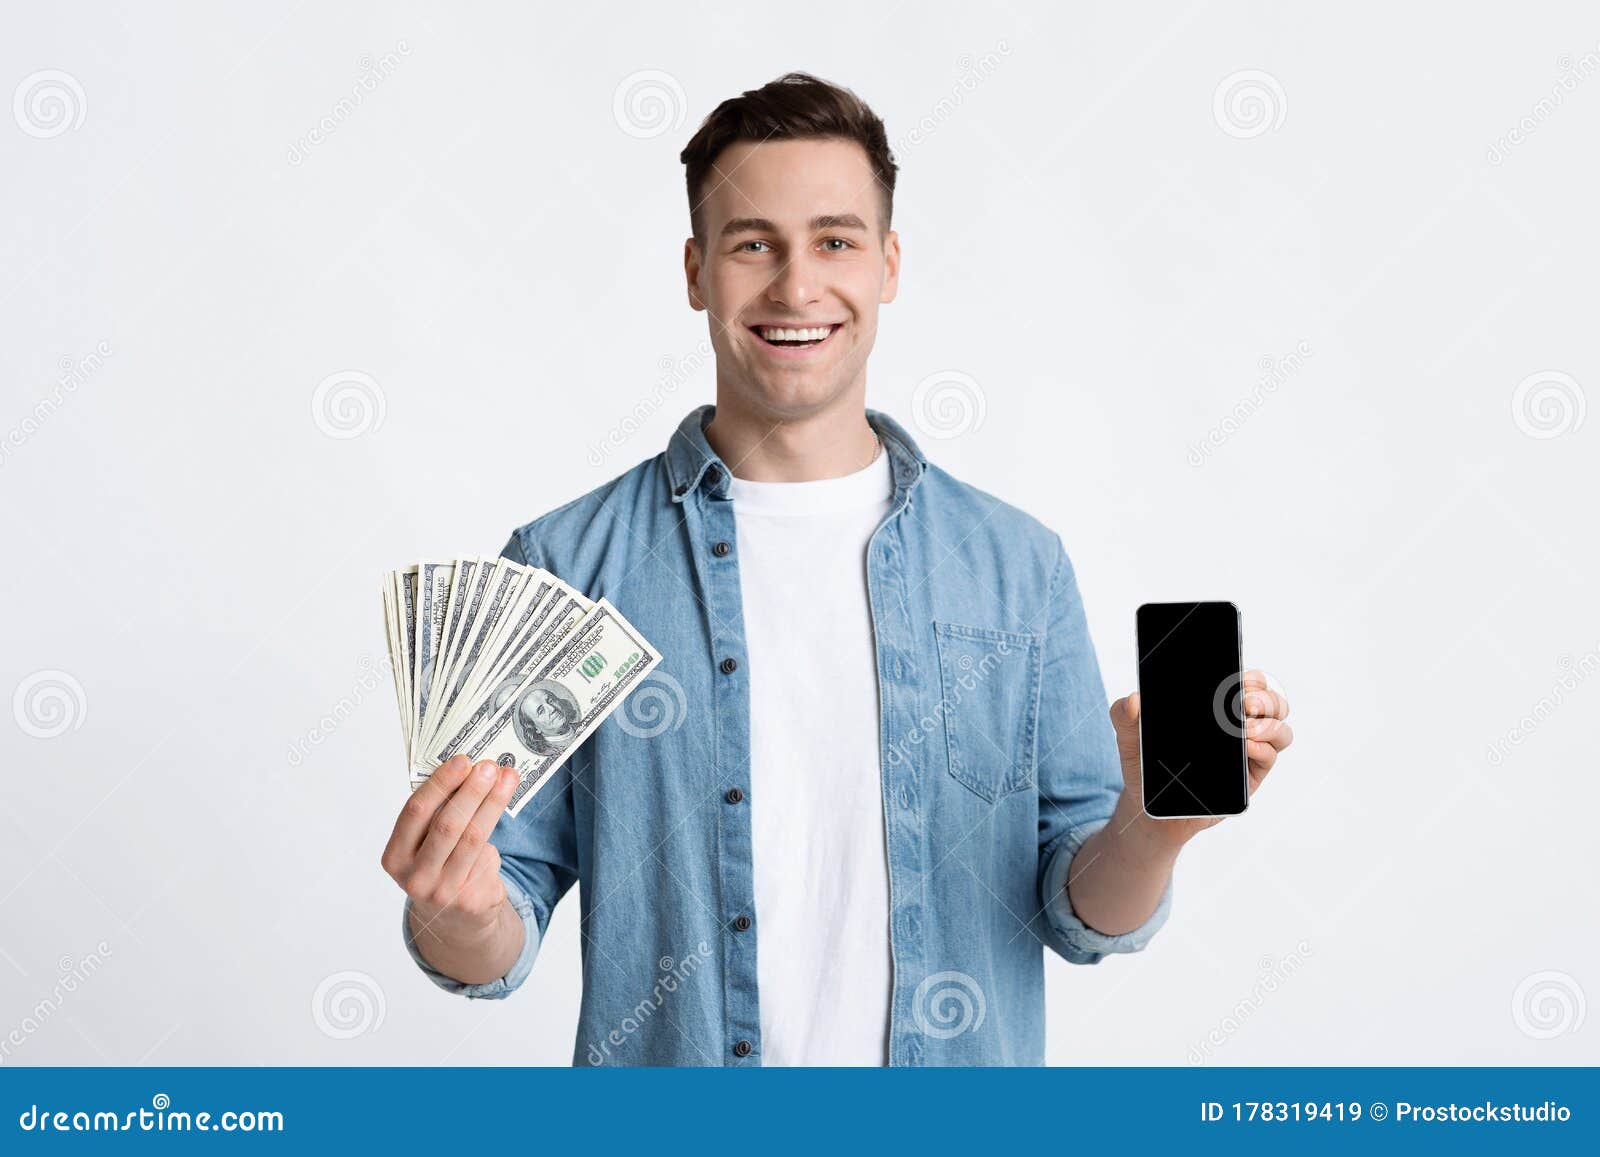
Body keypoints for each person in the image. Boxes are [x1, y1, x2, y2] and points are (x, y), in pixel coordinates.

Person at [379, 72, 1294, 1066]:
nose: (795, 286)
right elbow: (486, 933)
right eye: (751, 243)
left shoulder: (1015, 567)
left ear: (888, 263)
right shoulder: (567, 564)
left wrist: (1153, 826)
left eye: (835, 239)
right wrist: (454, 908)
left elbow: (1083, 911)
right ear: (695, 271)